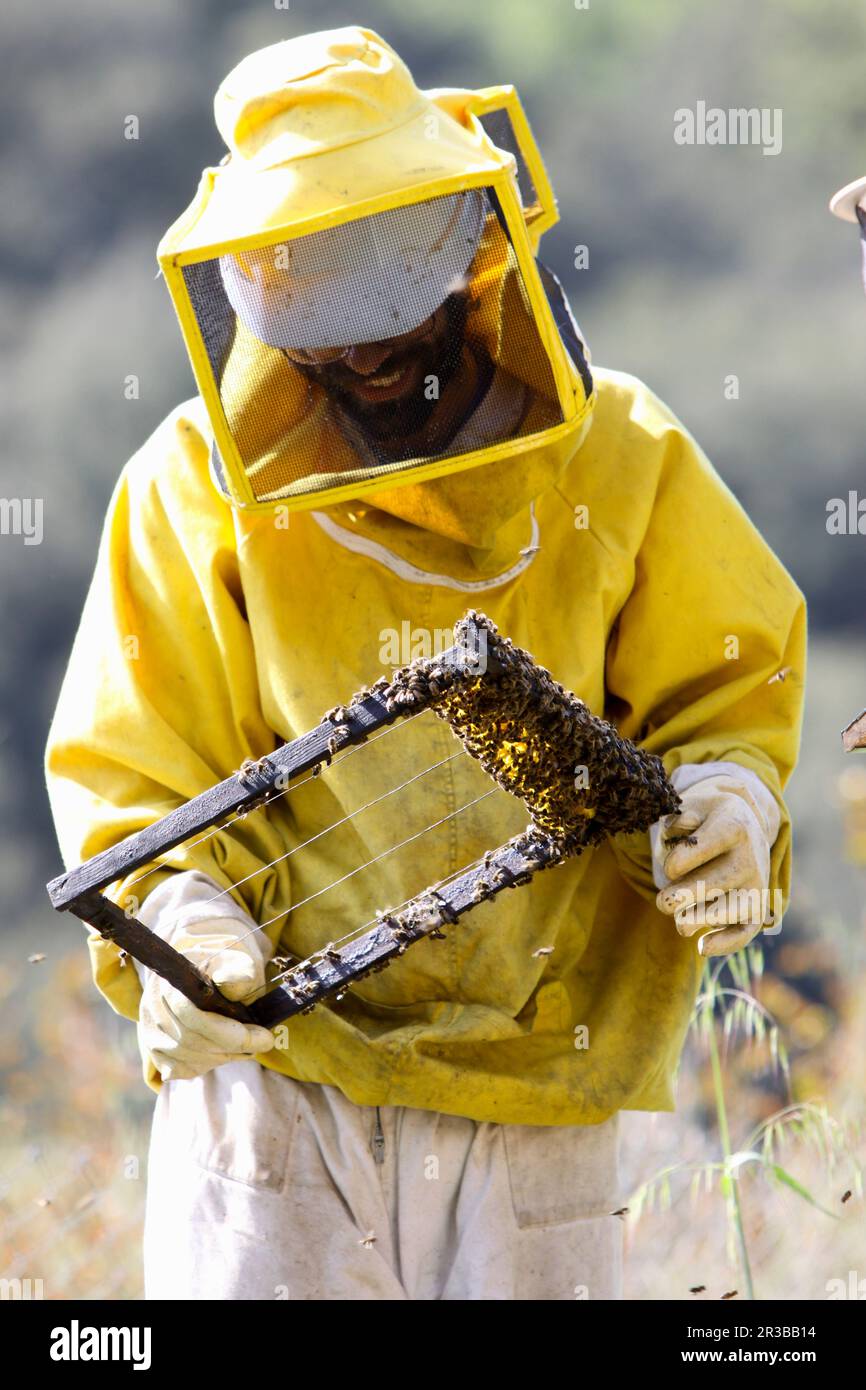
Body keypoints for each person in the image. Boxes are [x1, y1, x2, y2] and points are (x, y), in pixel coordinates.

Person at [45, 26, 806, 1301]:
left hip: (538, 1084)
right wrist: (175, 925)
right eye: (325, 344)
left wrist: (731, 803)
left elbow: (722, 703)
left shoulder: (618, 455)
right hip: (274, 1088)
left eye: (391, 326)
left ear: (475, 259)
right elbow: (136, 767)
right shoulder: (188, 486)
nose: (364, 366)